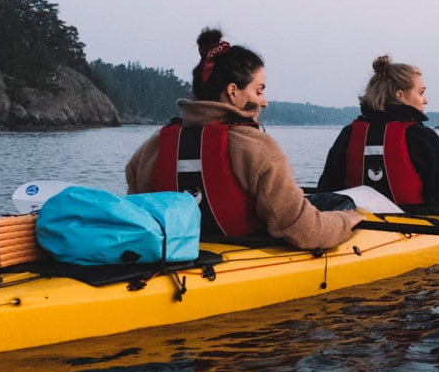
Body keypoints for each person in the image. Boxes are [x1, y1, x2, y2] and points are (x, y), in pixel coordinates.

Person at [125, 29, 360, 249]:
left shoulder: (150, 148)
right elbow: (305, 231)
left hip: (176, 257)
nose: (264, 102)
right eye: (259, 90)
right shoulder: (255, 146)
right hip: (244, 256)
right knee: (342, 203)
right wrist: (343, 222)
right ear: (232, 91)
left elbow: (137, 222)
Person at [318, 56, 439, 214]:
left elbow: (325, 193)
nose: (425, 100)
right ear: (400, 95)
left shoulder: (349, 134)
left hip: (361, 225)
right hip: (414, 224)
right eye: (421, 93)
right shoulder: (421, 136)